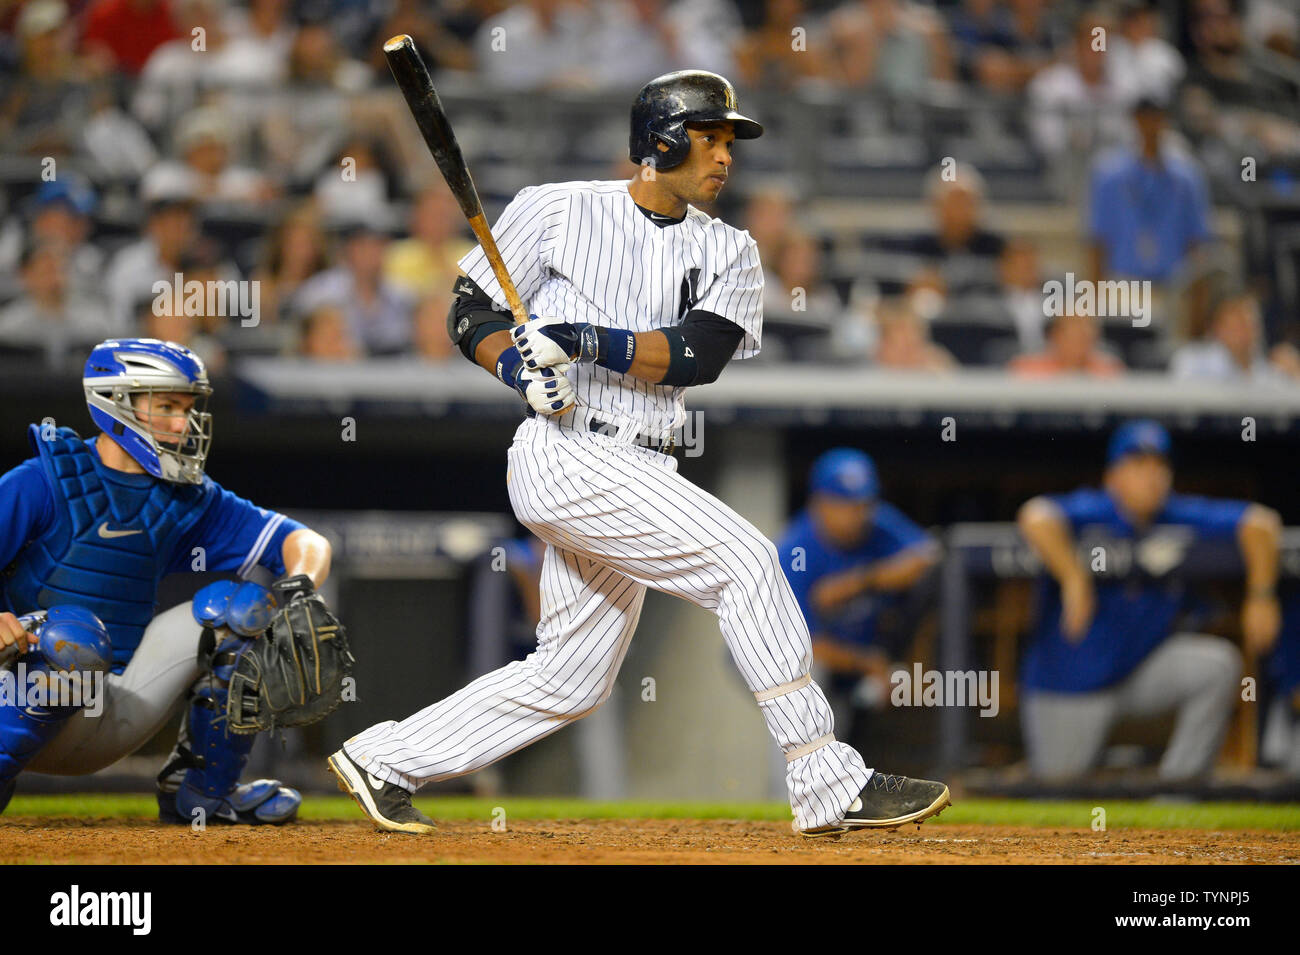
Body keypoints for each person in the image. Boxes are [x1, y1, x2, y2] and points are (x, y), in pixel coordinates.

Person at [328, 70, 950, 838]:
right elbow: (471, 311)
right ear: (660, 140)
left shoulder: (732, 249)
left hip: (645, 462)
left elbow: (697, 354)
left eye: (730, 141)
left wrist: (583, 341)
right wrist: (518, 370)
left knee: (571, 676)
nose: (725, 155)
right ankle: (827, 777)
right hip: (566, 452)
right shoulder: (557, 210)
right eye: (710, 137)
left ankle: (386, 758)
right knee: (749, 563)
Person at [0, 338, 336, 823]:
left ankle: (202, 795)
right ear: (117, 402)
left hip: (105, 709)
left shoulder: (187, 497)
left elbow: (302, 541)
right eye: (167, 406)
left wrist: (300, 588)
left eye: (188, 407)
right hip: (18, 684)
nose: (183, 423)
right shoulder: (44, 479)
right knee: (71, 637)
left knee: (241, 612)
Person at [1016, 420, 1280, 781]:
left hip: (1138, 674)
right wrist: (1074, 577)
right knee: (1058, 785)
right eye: (1138, 466)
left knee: (1217, 666)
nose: (1152, 476)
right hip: (1071, 682)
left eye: (1160, 467)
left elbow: (1260, 523)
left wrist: (1262, 595)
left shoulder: (1178, 514)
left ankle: (1177, 791)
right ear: (1113, 477)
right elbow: (1035, 515)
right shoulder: (1092, 510)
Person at [778, 449, 940, 744]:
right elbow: (803, 648)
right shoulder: (793, 552)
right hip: (773, 654)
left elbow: (930, 556)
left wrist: (859, 582)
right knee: (800, 698)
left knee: (842, 720)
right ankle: (790, 790)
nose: (858, 514)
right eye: (845, 504)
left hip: (854, 653)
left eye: (864, 504)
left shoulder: (878, 524)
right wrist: (870, 664)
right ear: (819, 503)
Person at [1008, 310, 1125, 378]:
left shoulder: (1110, 371)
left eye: (1086, 334)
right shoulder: (1027, 369)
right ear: (1055, 335)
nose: (1083, 333)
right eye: (1075, 329)